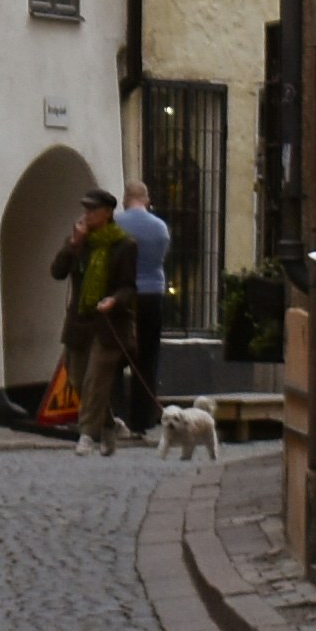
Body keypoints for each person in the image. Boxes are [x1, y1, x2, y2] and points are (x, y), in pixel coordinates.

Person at [107, 174, 175, 441]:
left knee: (114, 353)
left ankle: (115, 415)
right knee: (147, 357)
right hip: (152, 293)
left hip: (123, 296)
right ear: (146, 200)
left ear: (125, 200)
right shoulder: (160, 228)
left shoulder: (116, 225)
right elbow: (161, 257)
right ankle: (142, 420)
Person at [63, 193, 130, 450]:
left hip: (109, 325)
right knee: (78, 380)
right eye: (85, 209)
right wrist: (73, 244)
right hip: (79, 323)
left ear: (107, 214)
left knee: (95, 381)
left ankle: (87, 435)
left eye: (93, 210)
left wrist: (114, 300)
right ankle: (110, 425)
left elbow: (129, 287)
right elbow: (57, 271)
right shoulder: (81, 242)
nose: (87, 214)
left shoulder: (124, 246)